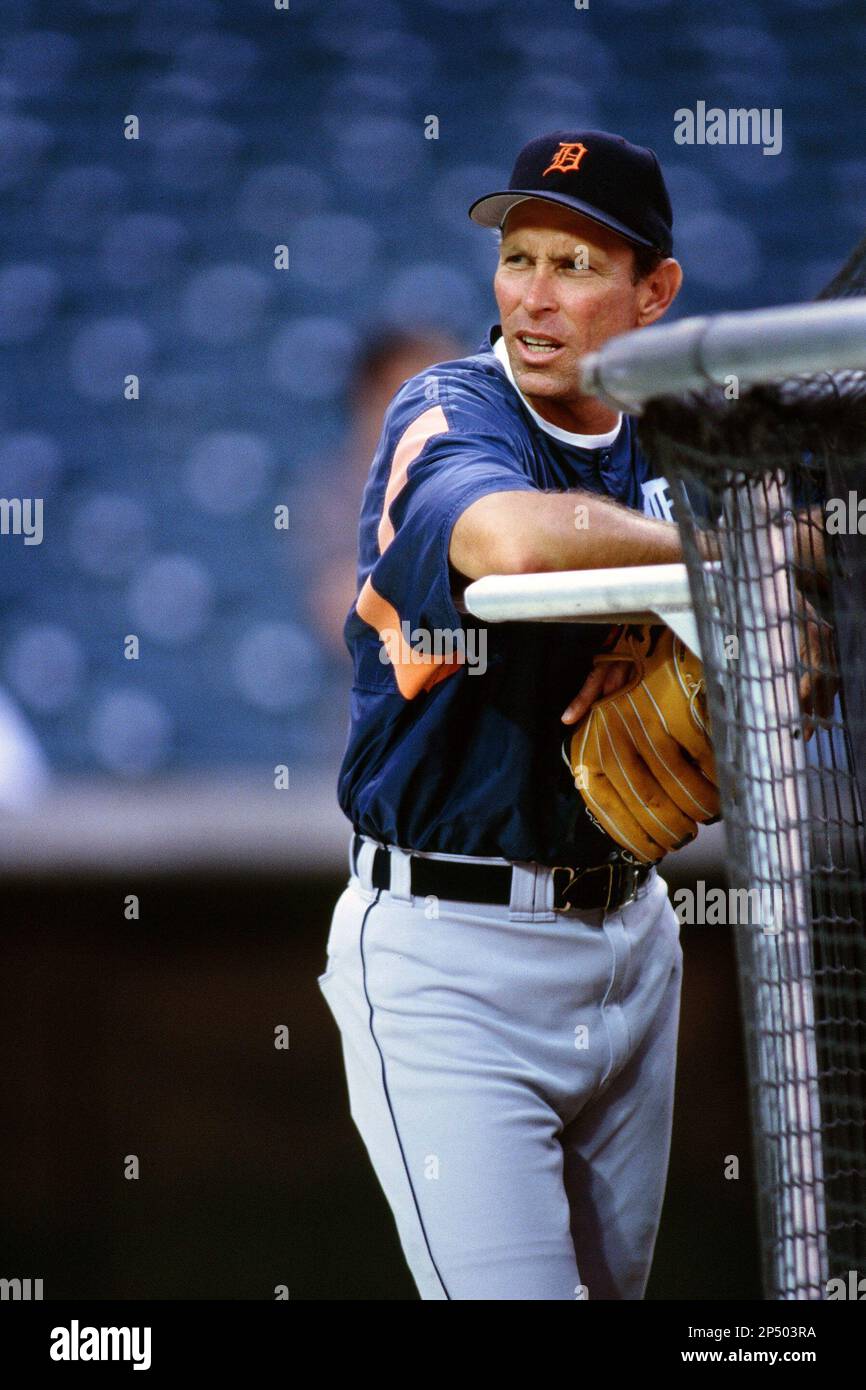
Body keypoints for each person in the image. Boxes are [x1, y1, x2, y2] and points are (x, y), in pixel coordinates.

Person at [317, 129, 694, 1301]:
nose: (532, 296)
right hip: (450, 960)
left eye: (576, 266)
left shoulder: (679, 430)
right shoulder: (448, 405)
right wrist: (713, 556)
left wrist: (764, 650)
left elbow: (800, 650)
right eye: (516, 256)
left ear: (652, 292)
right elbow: (507, 540)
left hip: (632, 941)